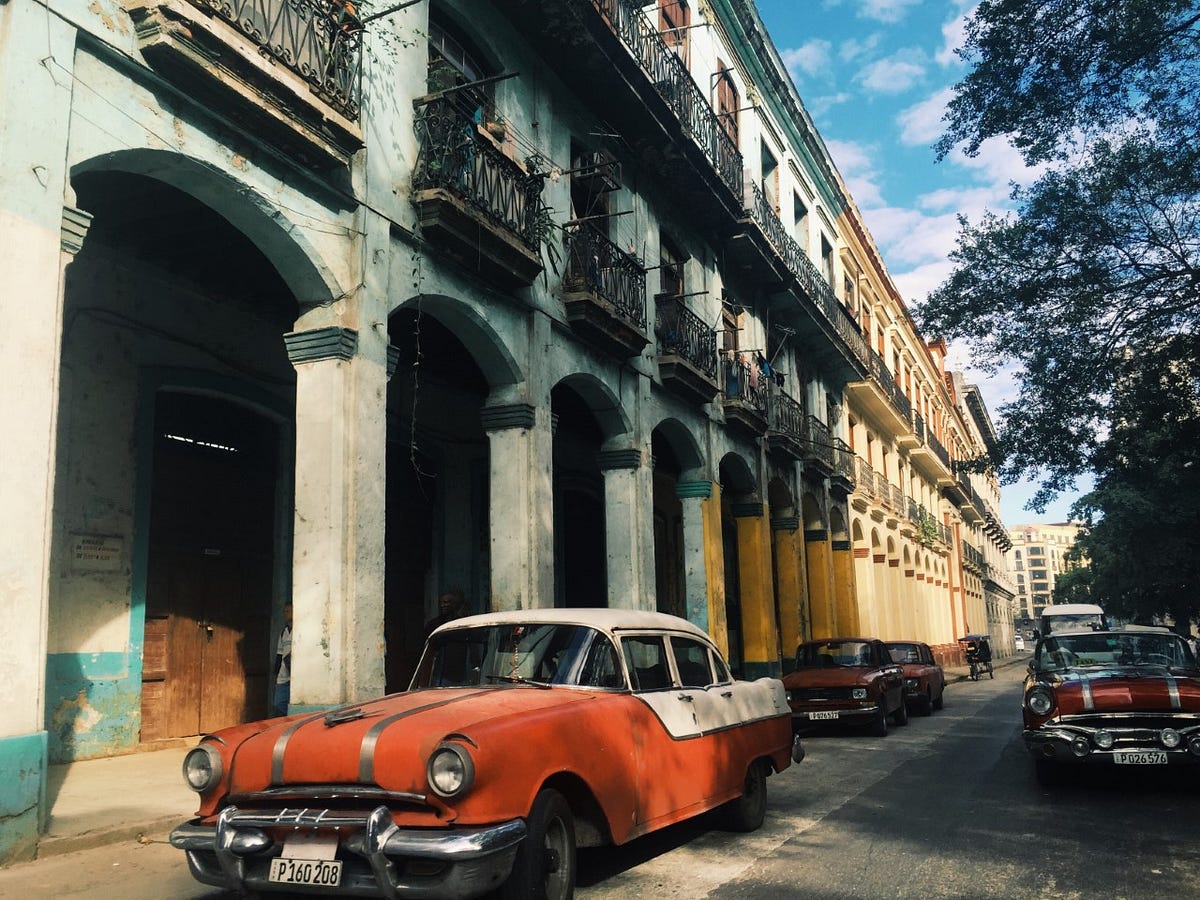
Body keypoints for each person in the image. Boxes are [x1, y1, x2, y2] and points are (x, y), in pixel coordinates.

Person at [273, 602, 293, 716]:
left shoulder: (300, 631)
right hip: (283, 675)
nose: (285, 614)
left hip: (296, 675)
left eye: (287, 611)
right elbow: (279, 655)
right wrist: (275, 674)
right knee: (279, 703)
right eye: (284, 612)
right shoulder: (283, 632)